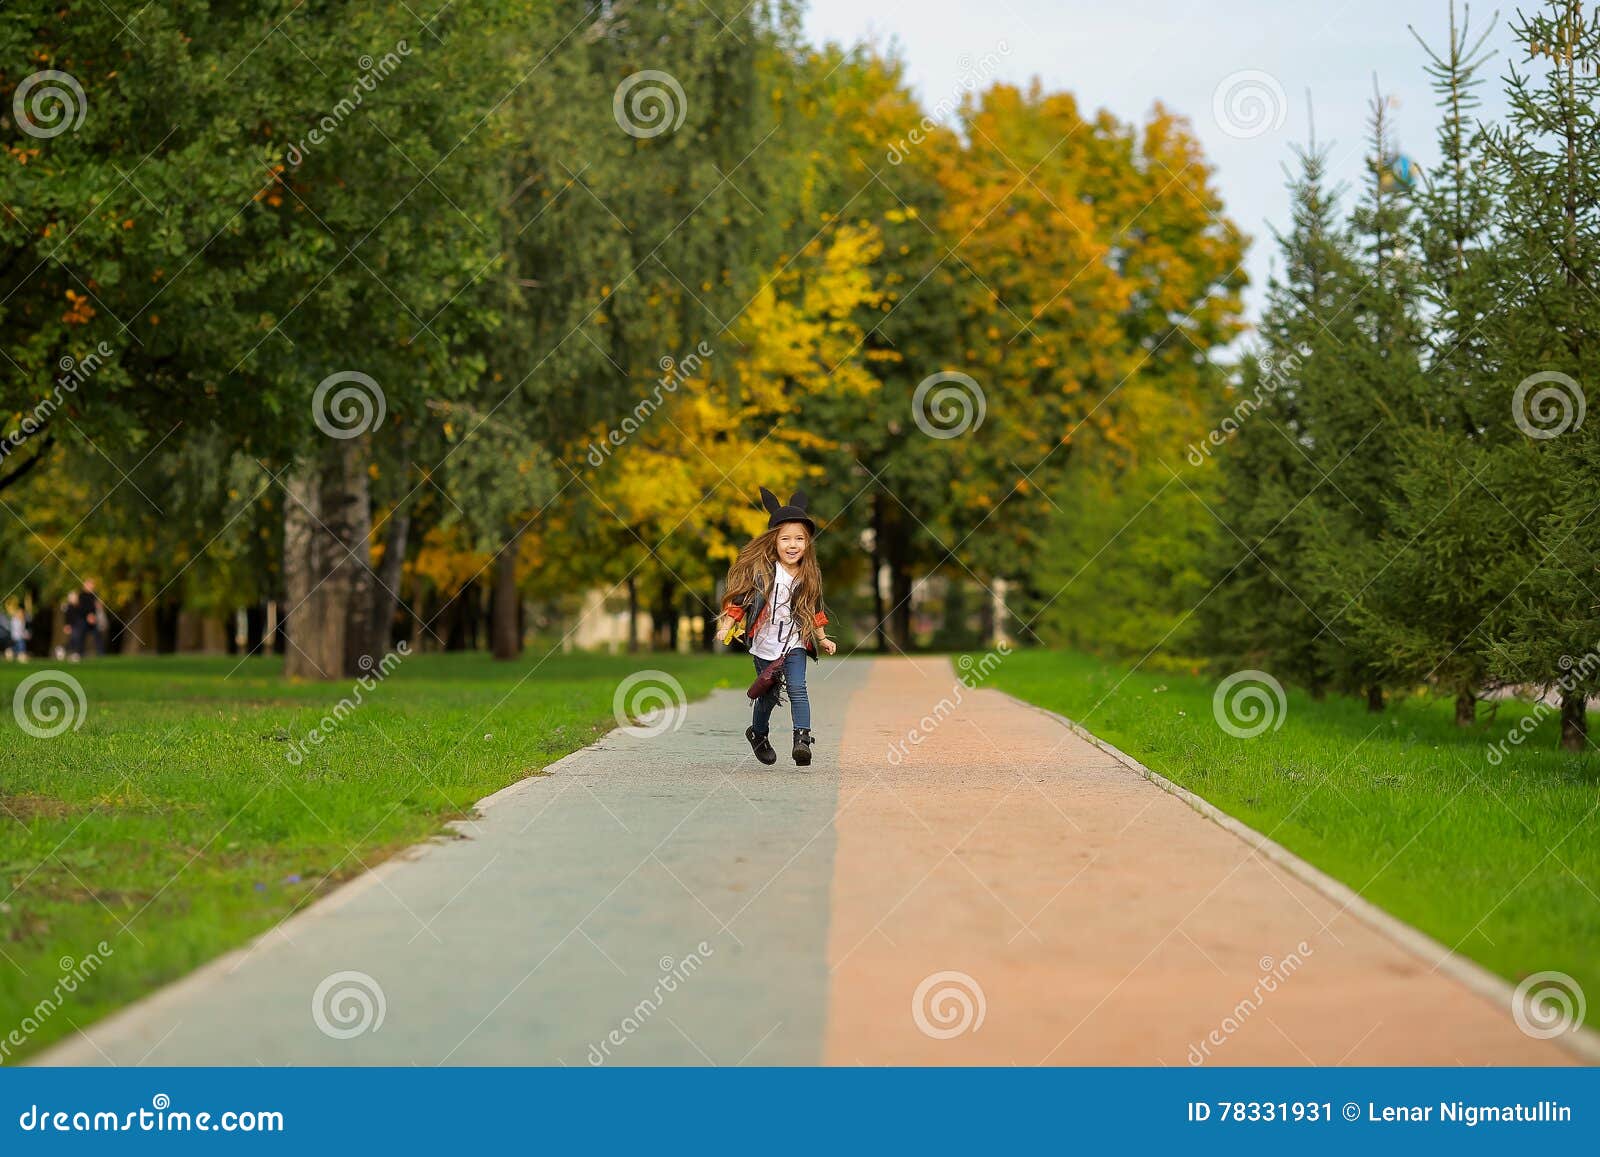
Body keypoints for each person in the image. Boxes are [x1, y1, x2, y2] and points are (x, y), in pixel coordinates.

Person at [718, 487, 836, 766]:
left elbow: (815, 608)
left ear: (807, 543)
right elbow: (740, 601)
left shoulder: (810, 574)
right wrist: (726, 626)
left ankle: (802, 740)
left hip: (795, 643)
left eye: (799, 539)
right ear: (774, 542)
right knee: (768, 696)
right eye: (786, 539)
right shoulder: (761, 572)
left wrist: (822, 638)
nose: (792, 544)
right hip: (764, 645)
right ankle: (758, 734)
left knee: (798, 688)